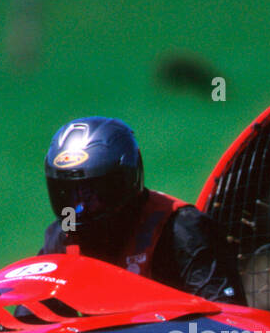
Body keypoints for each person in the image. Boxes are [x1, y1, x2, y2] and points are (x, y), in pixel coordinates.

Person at [40, 117, 244, 304]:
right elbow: (29, 323)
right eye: (69, 194)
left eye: (92, 192)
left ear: (123, 184)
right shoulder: (60, 239)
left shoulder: (182, 230)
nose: (81, 207)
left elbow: (228, 323)